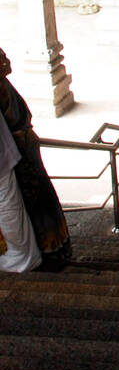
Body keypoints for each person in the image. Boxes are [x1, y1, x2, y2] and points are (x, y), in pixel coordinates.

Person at [0, 48, 71, 271]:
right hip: (17, 147)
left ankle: (51, 251)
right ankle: (50, 253)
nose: (6, 64)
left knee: (35, 200)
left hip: (19, 145)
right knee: (33, 201)